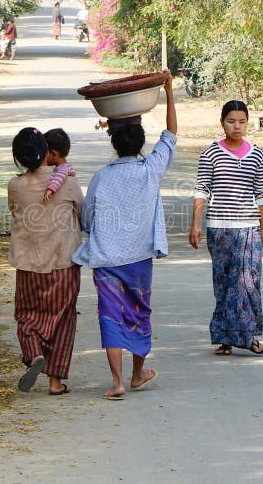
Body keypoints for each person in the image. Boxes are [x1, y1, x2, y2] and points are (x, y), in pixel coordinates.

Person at [72, 73, 177, 400]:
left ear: (114, 144)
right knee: (138, 313)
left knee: (111, 316)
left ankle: (117, 381)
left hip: (106, 259)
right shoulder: (151, 169)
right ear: (141, 142)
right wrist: (169, 92)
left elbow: (87, 219)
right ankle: (137, 374)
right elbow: (171, 134)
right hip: (138, 259)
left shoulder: (102, 177)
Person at [8, 127, 84, 396]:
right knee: (62, 320)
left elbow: (15, 212)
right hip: (64, 264)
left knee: (27, 315)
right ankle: (55, 382)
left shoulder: (15, 185)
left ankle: (34, 353)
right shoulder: (68, 182)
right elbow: (82, 213)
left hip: (28, 264)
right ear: (46, 152)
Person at [190, 100, 263, 357]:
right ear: (222, 123)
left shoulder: (256, 154)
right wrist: (195, 224)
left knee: (249, 282)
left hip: (249, 228)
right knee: (224, 284)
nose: (237, 126)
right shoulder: (210, 154)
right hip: (220, 229)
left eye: (242, 122)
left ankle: (250, 336)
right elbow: (202, 190)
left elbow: (260, 194)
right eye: (231, 121)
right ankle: (225, 339)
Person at [41, 128, 75, 204]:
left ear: (54, 154)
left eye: (45, 152)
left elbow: (60, 176)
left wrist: (50, 189)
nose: (43, 155)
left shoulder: (64, 168)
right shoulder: (65, 166)